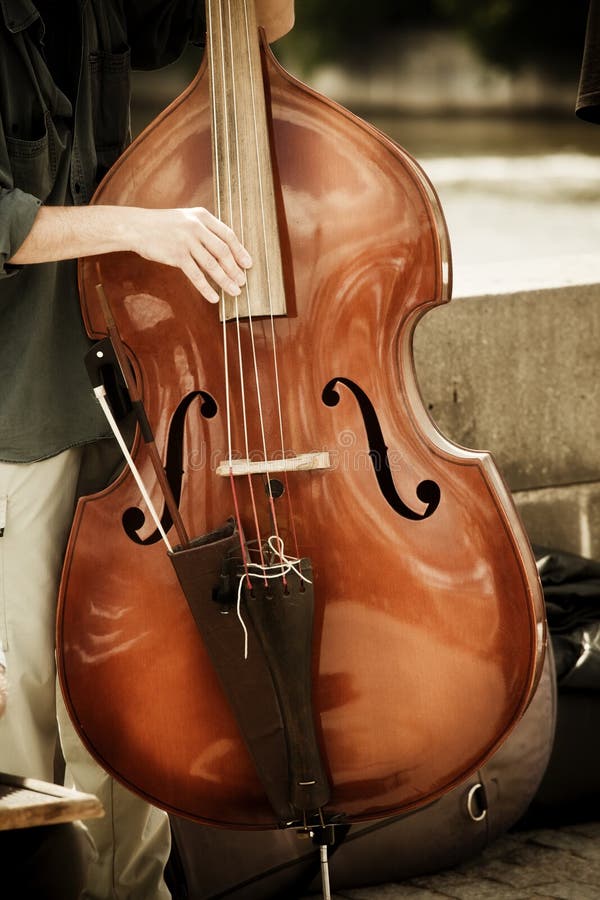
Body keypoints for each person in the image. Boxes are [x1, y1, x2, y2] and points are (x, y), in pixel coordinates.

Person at [0, 1, 294, 898]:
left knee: (134, 684)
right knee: (21, 699)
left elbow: (261, 24)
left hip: (130, 390)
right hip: (18, 407)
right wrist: (142, 227)